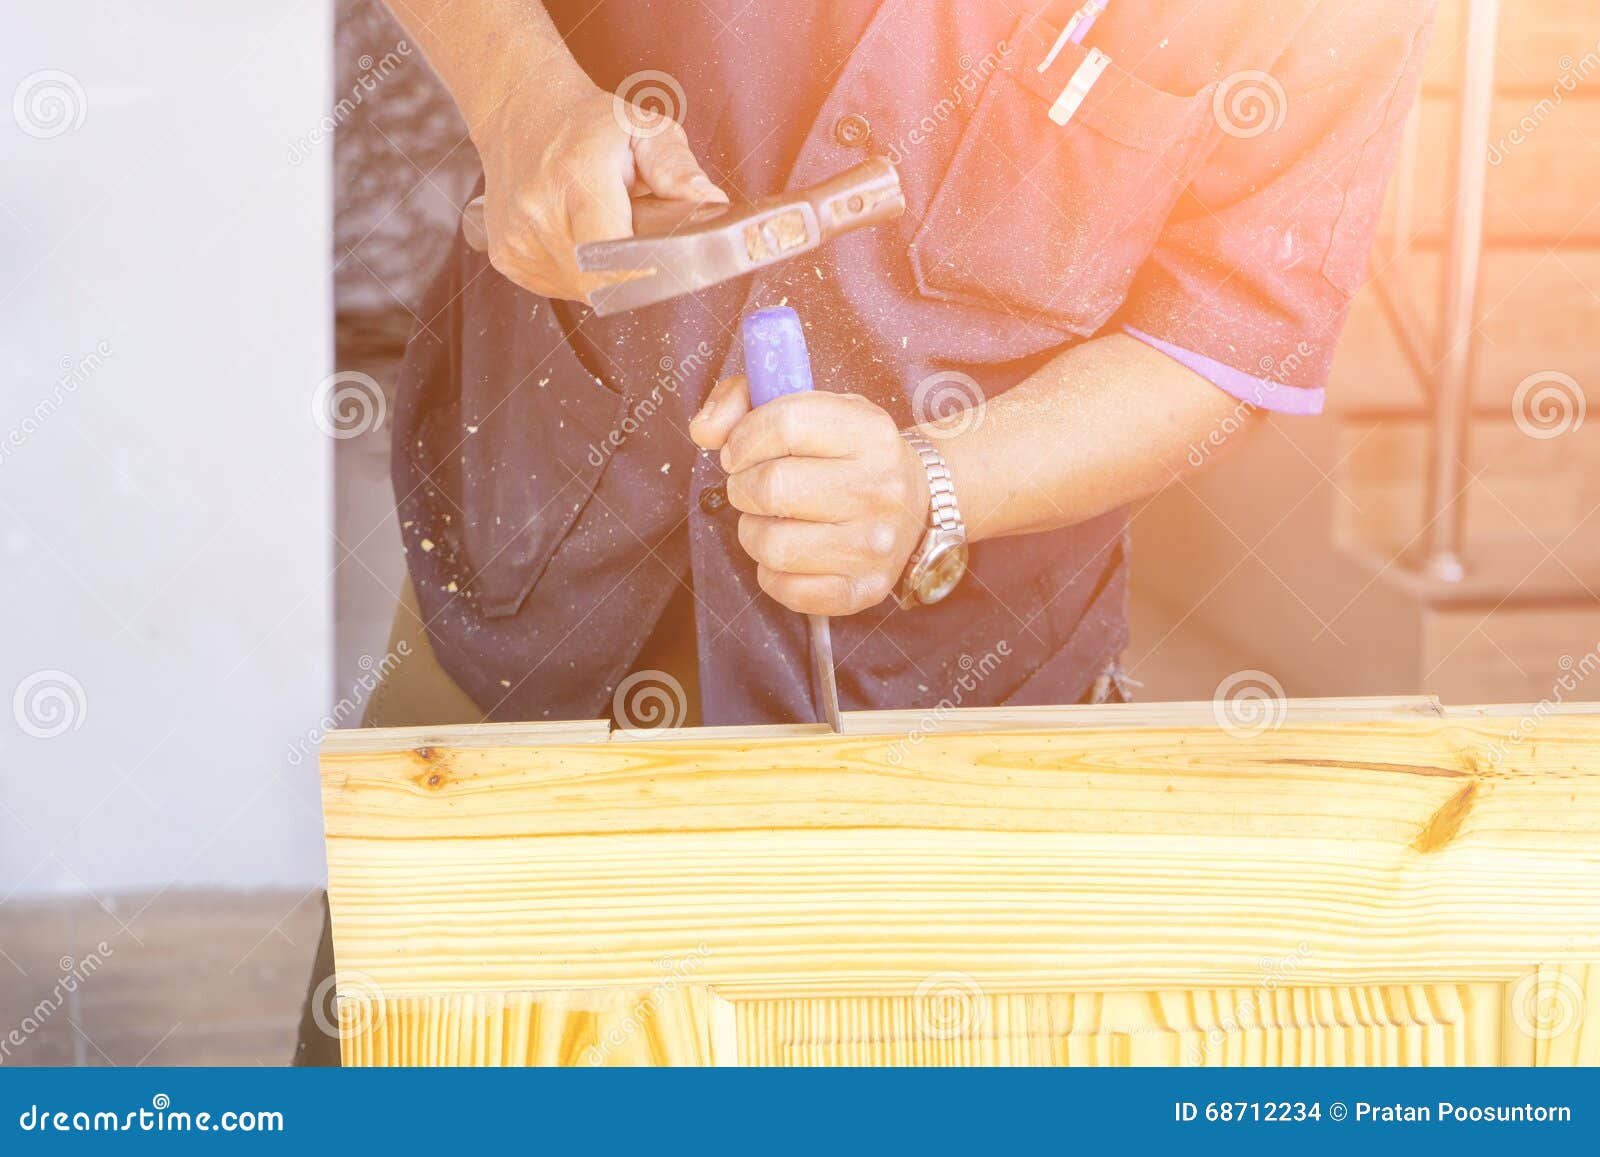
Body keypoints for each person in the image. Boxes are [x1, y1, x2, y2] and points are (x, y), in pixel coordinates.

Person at [295, 0, 1438, 1063]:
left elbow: (1230, 339)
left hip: (959, 699)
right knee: (413, 1072)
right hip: (525, 578)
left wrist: (933, 487)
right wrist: (516, 92)